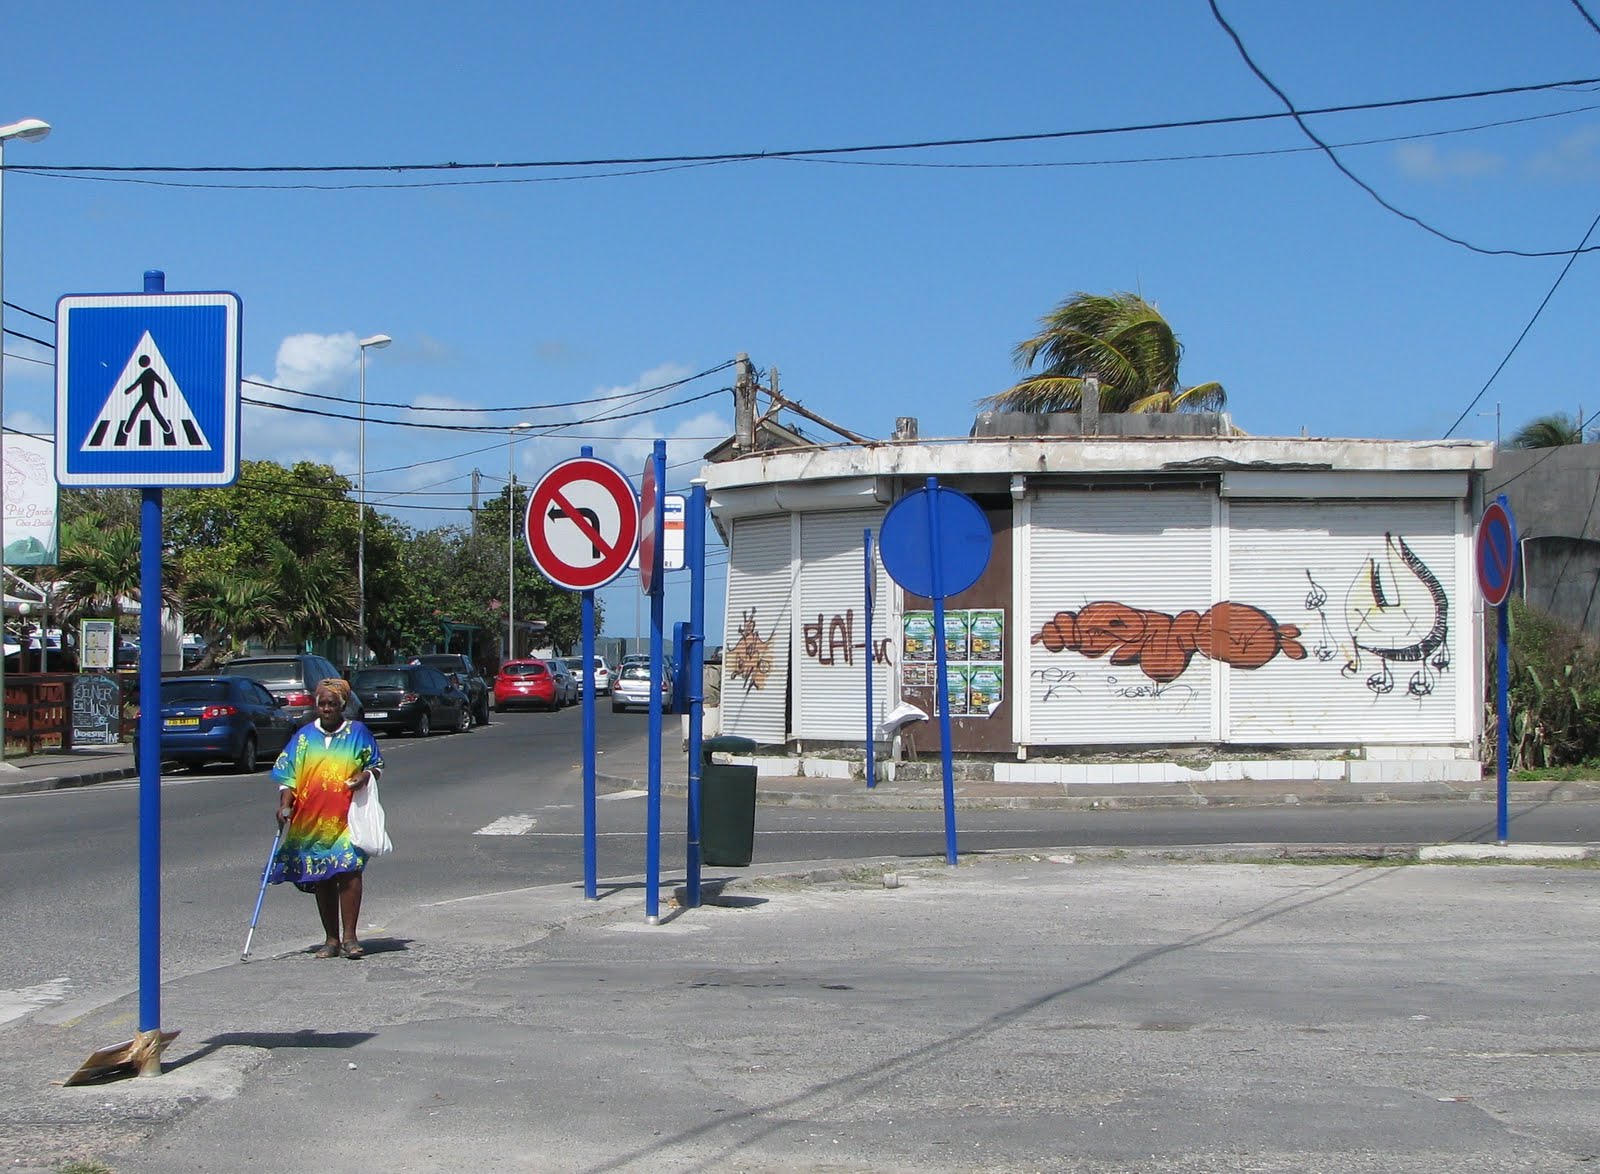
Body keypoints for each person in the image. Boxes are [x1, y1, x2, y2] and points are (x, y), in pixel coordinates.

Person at [268, 678, 385, 959]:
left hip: (347, 818)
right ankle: (330, 939)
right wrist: (285, 803)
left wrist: (365, 776)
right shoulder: (305, 736)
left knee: (349, 871)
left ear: (342, 705)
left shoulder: (357, 733)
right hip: (312, 820)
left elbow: (376, 764)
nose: (327, 709)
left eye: (332, 704)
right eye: (322, 704)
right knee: (322, 876)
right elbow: (288, 774)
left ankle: (351, 938)